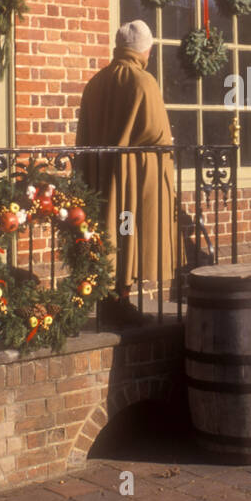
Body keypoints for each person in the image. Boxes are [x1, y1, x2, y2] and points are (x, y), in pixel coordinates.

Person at [76, 20, 176, 325]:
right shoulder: (143, 81)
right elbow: (158, 135)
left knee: (107, 232)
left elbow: (83, 135)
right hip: (130, 177)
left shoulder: (95, 82)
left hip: (99, 175)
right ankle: (120, 297)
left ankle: (106, 298)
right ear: (146, 49)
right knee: (127, 230)